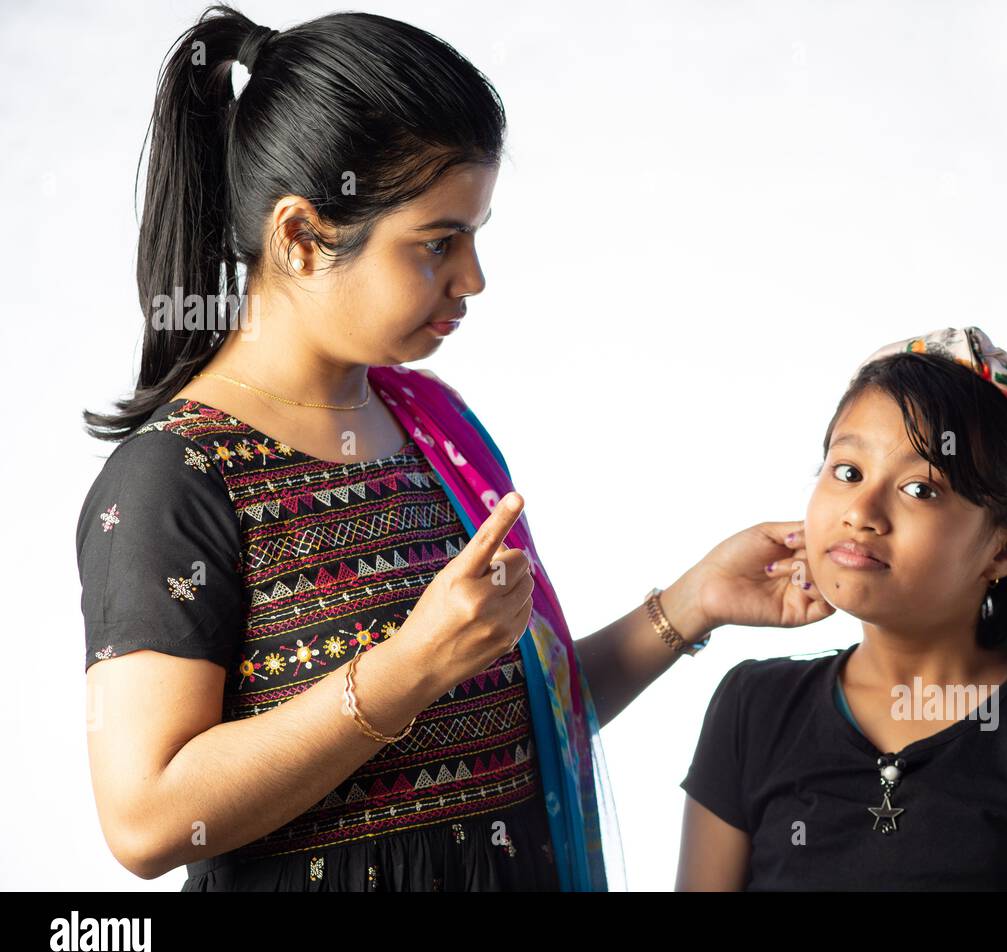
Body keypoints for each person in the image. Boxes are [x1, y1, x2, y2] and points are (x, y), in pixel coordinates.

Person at [76, 4, 836, 892]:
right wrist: (405, 669)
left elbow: (514, 718)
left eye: (475, 236)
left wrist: (689, 604)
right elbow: (146, 819)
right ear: (299, 237)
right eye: (439, 243)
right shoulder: (178, 476)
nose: (473, 278)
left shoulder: (433, 427)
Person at [676, 326, 1007, 891]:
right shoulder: (754, 708)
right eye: (848, 472)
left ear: (1005, 548)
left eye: (920, 489)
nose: (862, 511)